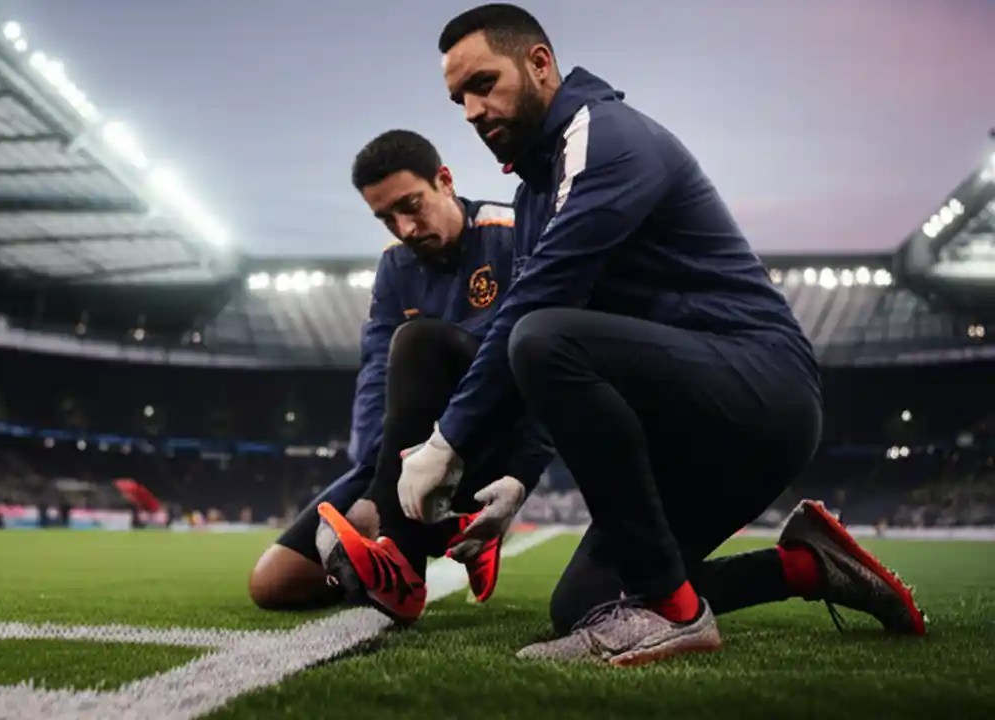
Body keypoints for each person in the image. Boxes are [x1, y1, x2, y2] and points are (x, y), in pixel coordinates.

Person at [325, 3, 925, 665]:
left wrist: (449, 443)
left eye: (484, 84)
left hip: (759, 395)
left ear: (539, 64)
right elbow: (536, 345)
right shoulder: (534, 194)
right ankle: (808, 565)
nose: (471, 111)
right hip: (680, 423)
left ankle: (674, 614)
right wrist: (518, 480)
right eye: (458, 99)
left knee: (539, 333)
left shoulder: (605, 136)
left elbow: (541, 316)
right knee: (584, 603)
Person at [250, 129, 552, 613]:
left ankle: (403, 568)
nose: (405, 228)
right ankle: (437, 528)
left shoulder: (514, 234)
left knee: (418, 340)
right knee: (274, 584)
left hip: (490, 435)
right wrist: (375, 470)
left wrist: (522, 473)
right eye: (387, 218)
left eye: (412, 206)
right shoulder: (394, 267)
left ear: (445, 181)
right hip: (408, 451)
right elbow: (374, 373)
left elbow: (549, 366)